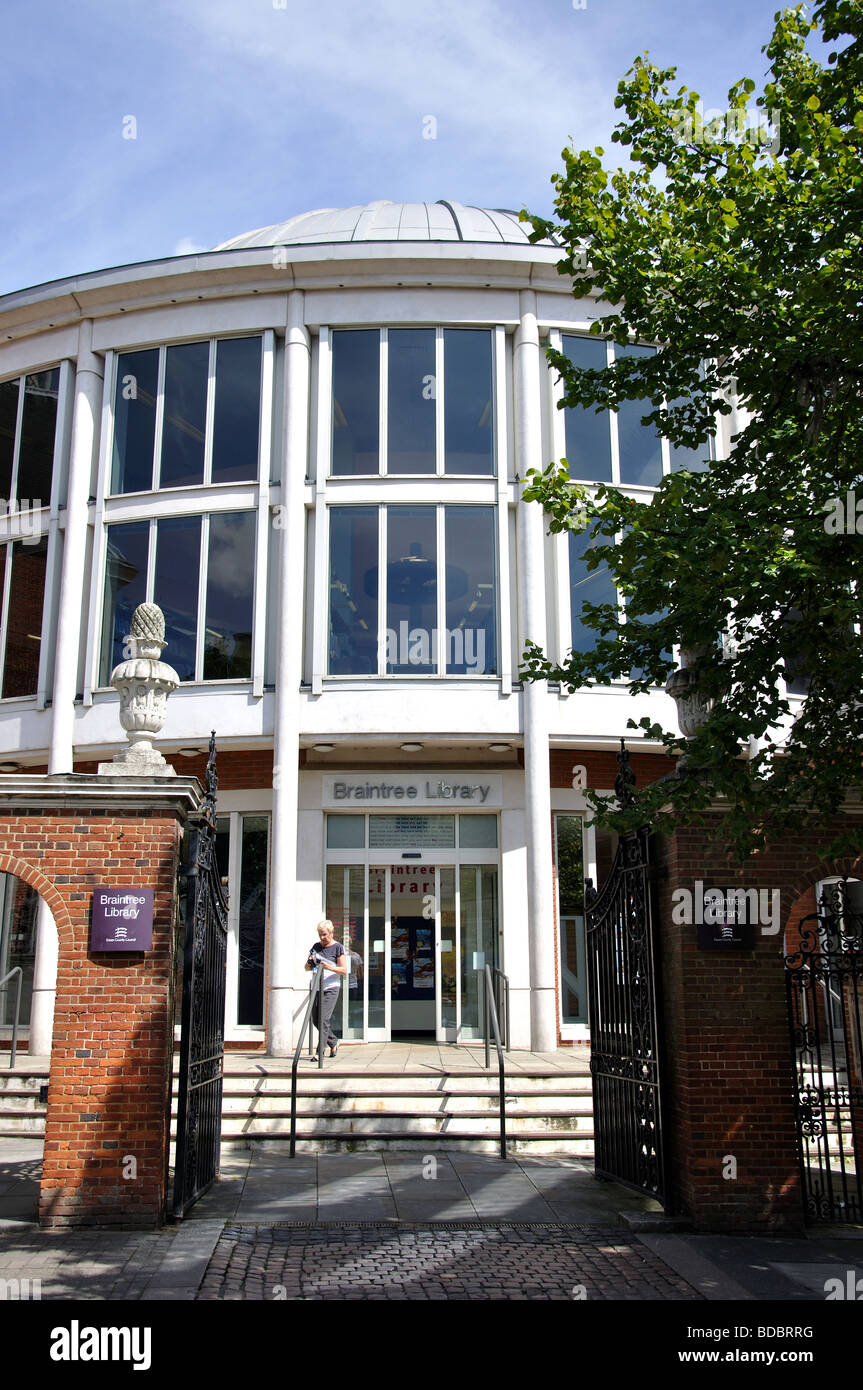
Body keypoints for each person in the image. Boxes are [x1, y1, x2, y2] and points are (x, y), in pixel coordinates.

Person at [305, 919, 347, 1058]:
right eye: (320, 935)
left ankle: (319, 1052)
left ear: (331, 932)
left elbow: (344, 970)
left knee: (323, 1018)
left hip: (331, 987)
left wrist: (328, 967)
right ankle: (333, 1042)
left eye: (324, 934)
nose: (322, 938)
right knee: (316, 1019)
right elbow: (306, 968)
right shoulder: (316, 947)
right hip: (316, 986)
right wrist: (309, 962)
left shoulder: (338, 948)